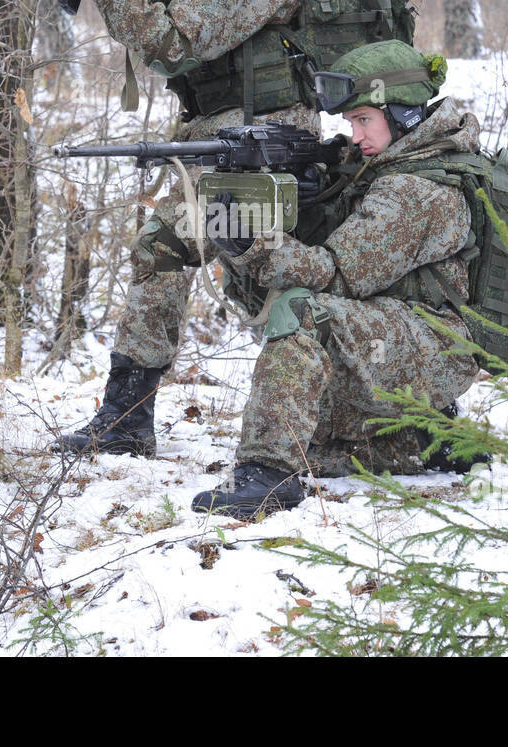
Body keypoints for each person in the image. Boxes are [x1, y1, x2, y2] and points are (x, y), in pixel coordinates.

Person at [52, 0, 322, 458]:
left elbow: (175, 43)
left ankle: (366, 417)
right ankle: (125, 418)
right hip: (220, 145)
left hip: (266, 146)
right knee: (169, 250)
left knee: (264, 277)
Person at [190, 40, 485, 519]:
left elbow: (337, 273)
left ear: (405, 113)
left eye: (364, 119)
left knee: (304, 314)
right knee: (320, 444)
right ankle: (426, 438)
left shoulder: (418, 190)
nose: (355, 134)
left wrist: (255, 245)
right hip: (401, 334)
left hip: (436, 346)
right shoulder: (387, 165)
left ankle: (267, 475)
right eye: (350, 122)